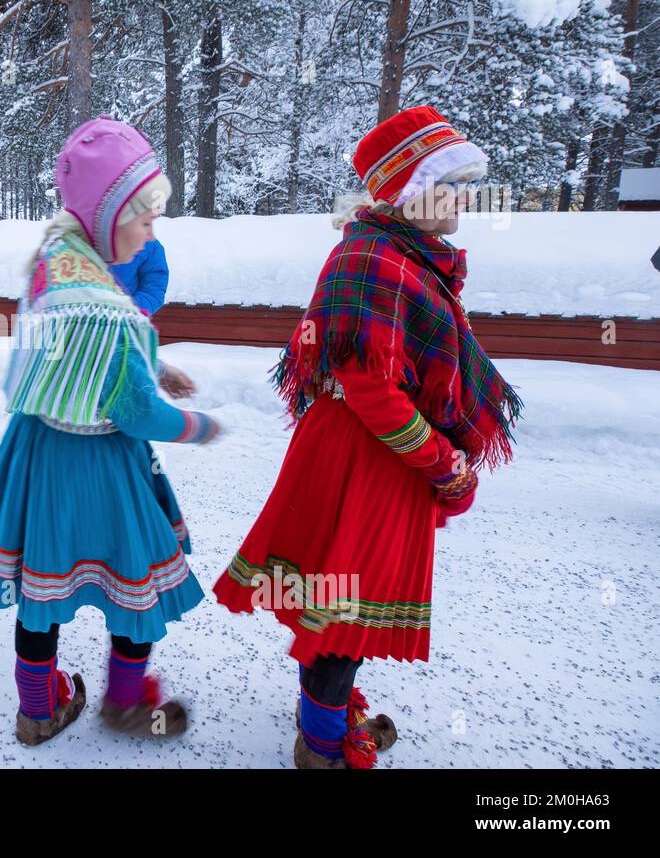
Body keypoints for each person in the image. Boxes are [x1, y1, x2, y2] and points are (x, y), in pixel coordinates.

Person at [212, 105, 523, 768]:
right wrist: (444, 465)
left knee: (334, 596)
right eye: (452, 184)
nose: (464, 199)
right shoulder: (374, 258)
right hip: (366, 449)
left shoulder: (404, 255)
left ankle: (321, 717)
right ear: (412, 190)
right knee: (344, 607)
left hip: (364, 447)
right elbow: (373, 388)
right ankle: (324, 748)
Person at [0, 117, 221, 746]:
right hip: (101, 463)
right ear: (108, 215)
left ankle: (36, 708)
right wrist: (198, 426)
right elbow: (135, 413)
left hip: (40, 452)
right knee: (136, 587)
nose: (151, 234)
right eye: (146, 219)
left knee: (41, 590)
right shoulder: (104, 303)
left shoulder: (58, 260)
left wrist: (153, 362)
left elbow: (81, 354)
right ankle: (126, 704)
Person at [109, 238, 169, 316]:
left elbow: (153, 290)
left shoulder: (148, 244)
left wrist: (131, 311)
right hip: (90, 315)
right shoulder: (89, 240)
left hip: (126, 318)